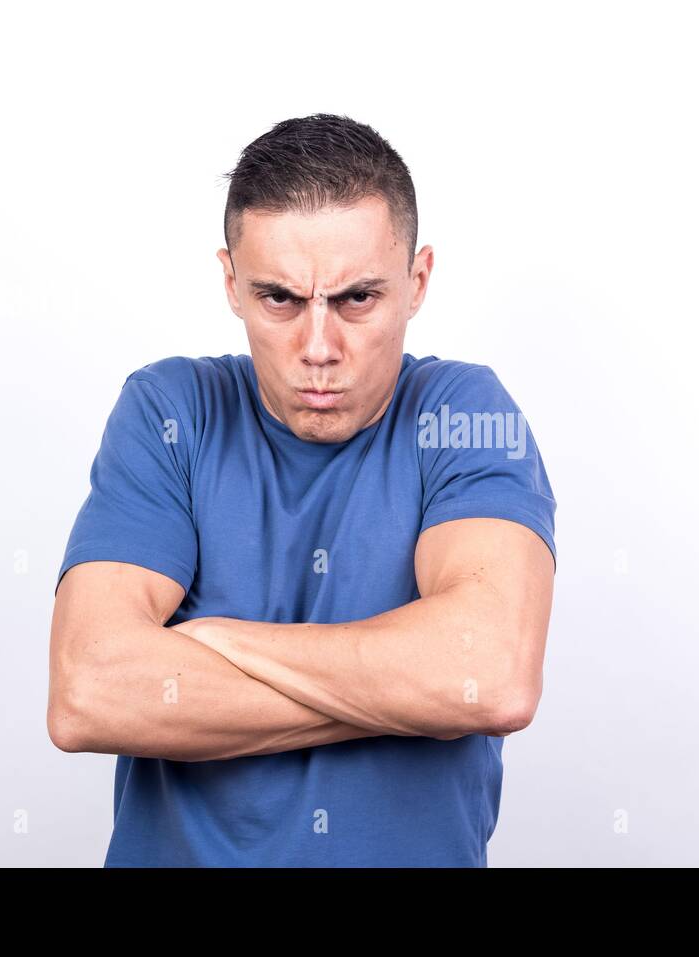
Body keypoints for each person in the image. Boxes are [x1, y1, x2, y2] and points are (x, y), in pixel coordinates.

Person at [46, 113, 558, 866]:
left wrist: (211, 644)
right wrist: (405, 694)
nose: (318, 347)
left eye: (358, 298)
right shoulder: (170, 411)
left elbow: (492, 674)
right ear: (231, 283)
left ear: (417, 282)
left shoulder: (464, 415)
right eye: (280, 298)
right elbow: (89, 690)